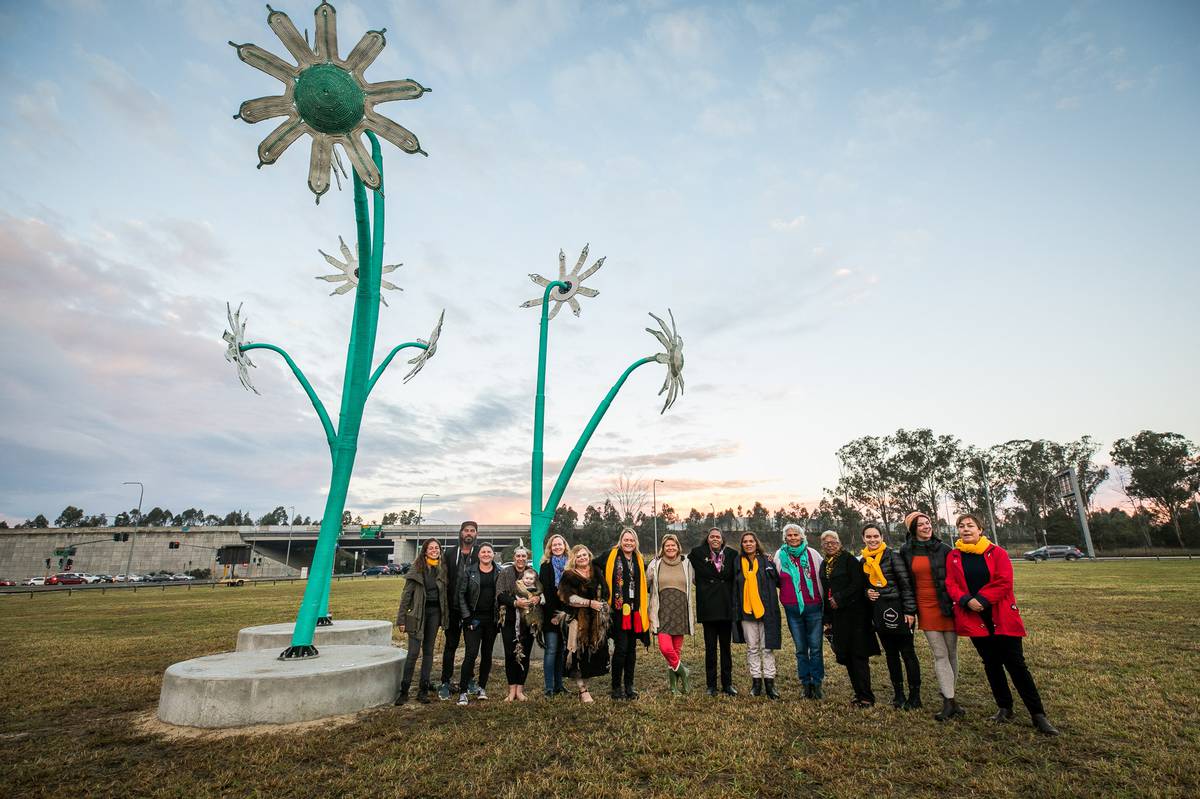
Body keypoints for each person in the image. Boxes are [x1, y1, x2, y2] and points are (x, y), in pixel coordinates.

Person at [946, 514, 1060, 736]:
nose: (965, 529)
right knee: (991, 663)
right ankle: (1004, 707)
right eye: (961, 526)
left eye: (970, 526)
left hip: (1000, 616)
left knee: (1016, 665)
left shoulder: (996, 553)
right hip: (974, 618)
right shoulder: (954, 556)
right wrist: (966, 600)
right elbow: (951, 583)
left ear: (980, 529)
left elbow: (1004, 581)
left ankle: (1038, 715)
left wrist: (982, 599)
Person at [899, 511, 965, 721]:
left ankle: (951, 697)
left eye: (928, 523)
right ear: (913, 530)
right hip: (925, 606)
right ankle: (948, 700)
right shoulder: (905, 551)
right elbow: (905, 581)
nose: (927, 527)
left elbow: (956, 577)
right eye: (921, 525)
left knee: (951, 652)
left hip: (946, 605)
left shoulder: (944, 549)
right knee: (939, 654)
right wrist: (909, 609)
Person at [862, 523, 921, 710]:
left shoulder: (893, 557)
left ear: (882, 537)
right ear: (863, 539)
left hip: (899, 611)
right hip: (879, 613)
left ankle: (915, 696)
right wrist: (867, 592)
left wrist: (910, 611)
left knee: (908, 654)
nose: (872, 540)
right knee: (891, 655)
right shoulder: (863, 561)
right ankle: (899, 694)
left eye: (875, 536)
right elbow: (864, 586)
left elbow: (906, 585)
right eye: (868, 537)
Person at [820, 530, 879, 707]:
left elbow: (857, 584)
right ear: (822, 545)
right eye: (826, 542)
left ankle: (867, 696)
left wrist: (840, 598)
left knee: (858, 656)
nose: (830, 545)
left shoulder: (849, 560)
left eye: (833, 541)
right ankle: (858, 693)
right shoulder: (825, 564)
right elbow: (826, 592)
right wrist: (827, 618)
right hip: (838, 617)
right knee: (846, 656)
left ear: (839, 543)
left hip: (855, 615)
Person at [773, 523, 825, 699]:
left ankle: (817, 683)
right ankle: (806, 684)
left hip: (814, 607)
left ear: (802, 536)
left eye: (796, 535)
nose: (793, 538)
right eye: (789, 535)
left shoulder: (813, 554)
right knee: (801, 648)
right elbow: (777, 579)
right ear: (785, 538)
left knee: (816, 648)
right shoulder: (780, 556)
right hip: (792, 608)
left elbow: (822, 577)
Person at [394, 538, 447, 705]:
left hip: (435, 614)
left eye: (436, 548)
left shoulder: (442, 569)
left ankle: (423, 690)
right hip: (418, 614)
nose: (434, 550)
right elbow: (406, 596)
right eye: (430, 548)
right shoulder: (416, 569)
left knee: (429, 652)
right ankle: (404, 691)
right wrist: (401, 618)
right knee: (413, 653)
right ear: (425, 551)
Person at [688, 528, 739, 696]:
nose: (715, 539)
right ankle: (711, 685)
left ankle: (727, 684)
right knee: (710, 649)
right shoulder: (697, 553)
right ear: (708, 539)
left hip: (725, 608)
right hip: (708, 608)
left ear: (722, 539)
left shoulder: (732, 554)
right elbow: (682, 564)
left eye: (718, 537)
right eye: (712, 537)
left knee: (725, 648)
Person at [558, 544, 611, 703]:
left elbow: (605, 591)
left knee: (592, 655)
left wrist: (603, 604)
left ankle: (585, 687)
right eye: (578, 556)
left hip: (596, 621)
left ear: (589, 555)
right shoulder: (569, 575)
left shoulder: (596, 572)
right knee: (577, 654)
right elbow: (567, 598)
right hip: (577, 620)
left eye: (584, 555)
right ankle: (583, 690)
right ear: (574, 559)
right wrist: (589, 603)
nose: (582, 558)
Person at [732, 531, 781, 699]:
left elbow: (778, 581)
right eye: (745, 541)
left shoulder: (766, 561)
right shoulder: (738, 562)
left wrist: (772, 563)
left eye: (751, 541)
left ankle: (770, 683)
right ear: (742, 545)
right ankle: (756, 683)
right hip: (747, 612)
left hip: (766, 610)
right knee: (752, 648)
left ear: (756, 543)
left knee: (767, 648)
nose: (748, 544)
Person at [602, 528, 650, 700]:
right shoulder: (611, 556)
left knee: (631, 650)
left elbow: (646, 579)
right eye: (626, 540)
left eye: (632, 540)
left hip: (635, 611)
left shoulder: (638, 559)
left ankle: (629, 686)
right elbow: (593, 566)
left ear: (635, 542)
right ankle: (616, 688)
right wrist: (602, 591)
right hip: (618, 611)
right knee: (621, 649)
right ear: (621, 541)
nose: (628, 543)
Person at [646, 533, 695, 695]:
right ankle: (684, 672)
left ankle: (674, 687)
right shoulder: (655, 563)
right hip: (662, 612)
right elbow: (646, 583)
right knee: (666, 648)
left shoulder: (687, 563)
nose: (670, 547)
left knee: (675, 651)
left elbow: (696, 580)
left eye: (673, 545)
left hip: (680, 611)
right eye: (667, 545)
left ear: (678, 546)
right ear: (663, 547)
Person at [437, 521, 479, 701]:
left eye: (472, 531)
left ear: (476, 534)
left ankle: (469, 679)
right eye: (466, 530)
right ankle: (445, 681)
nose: (469, 533)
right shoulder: (450, 553)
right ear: (461, 533)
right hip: (453, 608)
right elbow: (443, 578)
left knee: (471, 648)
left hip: (472, 610)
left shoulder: (479, 553)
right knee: (451, 646)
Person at [455, 542, 498, 706]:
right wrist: (467, 618)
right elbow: (461, 595)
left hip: (491, 621)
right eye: (483, 552)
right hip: (474, 621)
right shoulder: (470, 571)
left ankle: (482, 688)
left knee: (487, 655)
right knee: (471, 654)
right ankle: (463, 691)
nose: (486, 554)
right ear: (478, 555)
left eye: (489, 552)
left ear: (493, 554)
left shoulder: (499, 571)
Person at [497, 545, 541, 702]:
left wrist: (537, 598)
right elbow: (500, 595)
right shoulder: (505, 573)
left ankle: (520, 690)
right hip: (509, 619)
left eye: (523, 556)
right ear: (514, 557)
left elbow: (540, 592)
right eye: (518, 556)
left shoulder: (532, 574)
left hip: (527, 620)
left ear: (527, 557)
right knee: (510, 654)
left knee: (525, 654)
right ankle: (511, 690)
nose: (520, 559)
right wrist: (515, 603)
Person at [538, 533, 571, 697]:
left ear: (565, 546)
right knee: (551, 650)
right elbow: (546, 592)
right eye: (554, 545)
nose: (557, 547)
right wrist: (553, 615)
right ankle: (549, 688)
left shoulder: (570, 565)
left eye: (560, 544)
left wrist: (566, 613)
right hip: (551, 615)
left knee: (562, 650)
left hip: (567, 614)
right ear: (550, 548)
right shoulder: (546, 566)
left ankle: (559, 685)